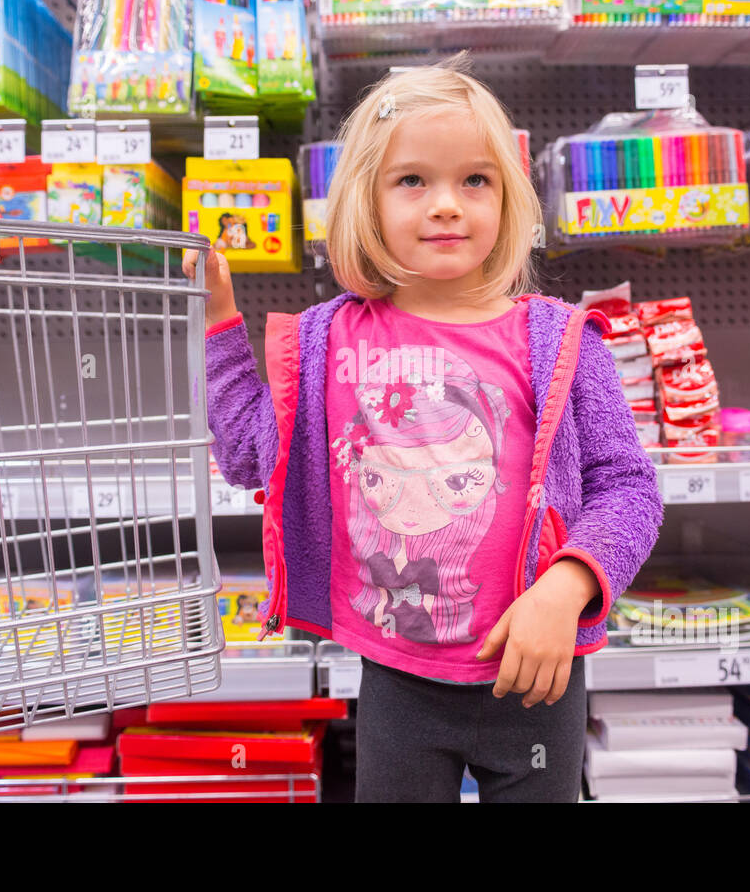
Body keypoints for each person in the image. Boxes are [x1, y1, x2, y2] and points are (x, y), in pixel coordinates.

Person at [183, 52, 663, 802]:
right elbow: (249, 454)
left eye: (475, 179)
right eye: (413, 180)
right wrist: (217, 323)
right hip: (398, 682)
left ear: (509, 197)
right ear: (364, 202)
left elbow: (629, 489)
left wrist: (567, 586)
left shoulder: (562, 340)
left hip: (537, 675)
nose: (446, 203)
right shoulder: (326, 342)